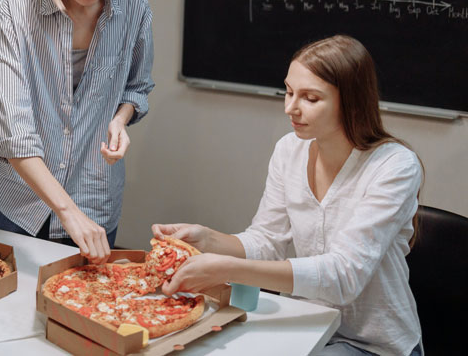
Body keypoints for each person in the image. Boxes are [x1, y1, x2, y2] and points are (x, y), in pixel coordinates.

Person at [152, 35, 423, 356]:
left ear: (350, 100)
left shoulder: (394, 165)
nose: (290, 108)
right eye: (289, 91)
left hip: (373, 342)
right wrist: (206, 239)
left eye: (310, 98)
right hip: (310, 322)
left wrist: (225, 269)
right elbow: (268, 240)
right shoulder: (289, 150)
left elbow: (344, 276)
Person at [0, 0, 155, 263]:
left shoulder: (134, 7)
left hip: (95, 196)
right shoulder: (14, 6)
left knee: (88, 315)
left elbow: (137, 87)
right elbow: (13, 132)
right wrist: (67, 210)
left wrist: (120, 120)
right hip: (21, 204)